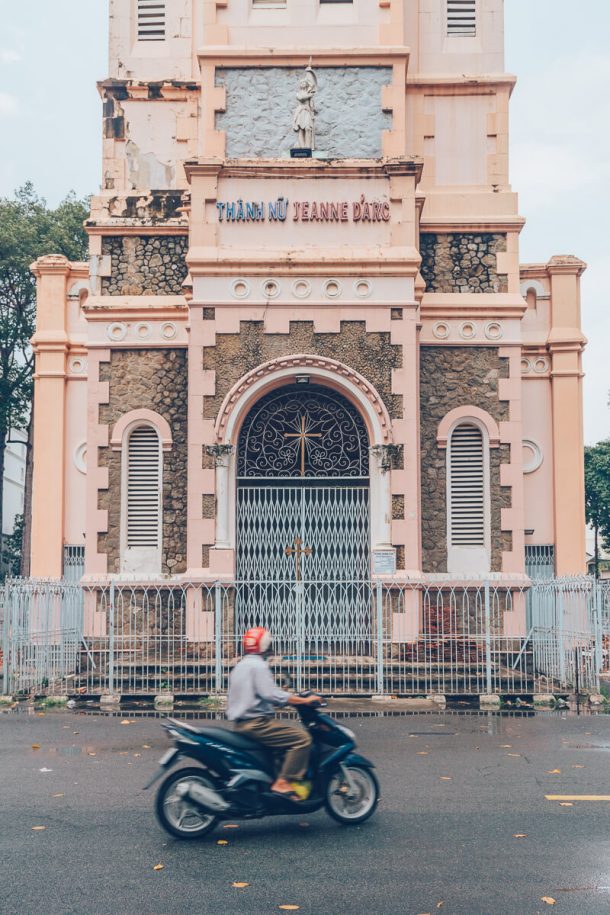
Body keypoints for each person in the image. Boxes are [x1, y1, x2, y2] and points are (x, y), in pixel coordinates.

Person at [227, 626, 321, 800]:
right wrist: (303, 701)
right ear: (264, 645)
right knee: (302, 738)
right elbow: (272, 694)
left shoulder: (240, 666)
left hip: (241, 723)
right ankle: (283, 782)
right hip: (257, 723)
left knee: (283, 736)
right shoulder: (259, 666)